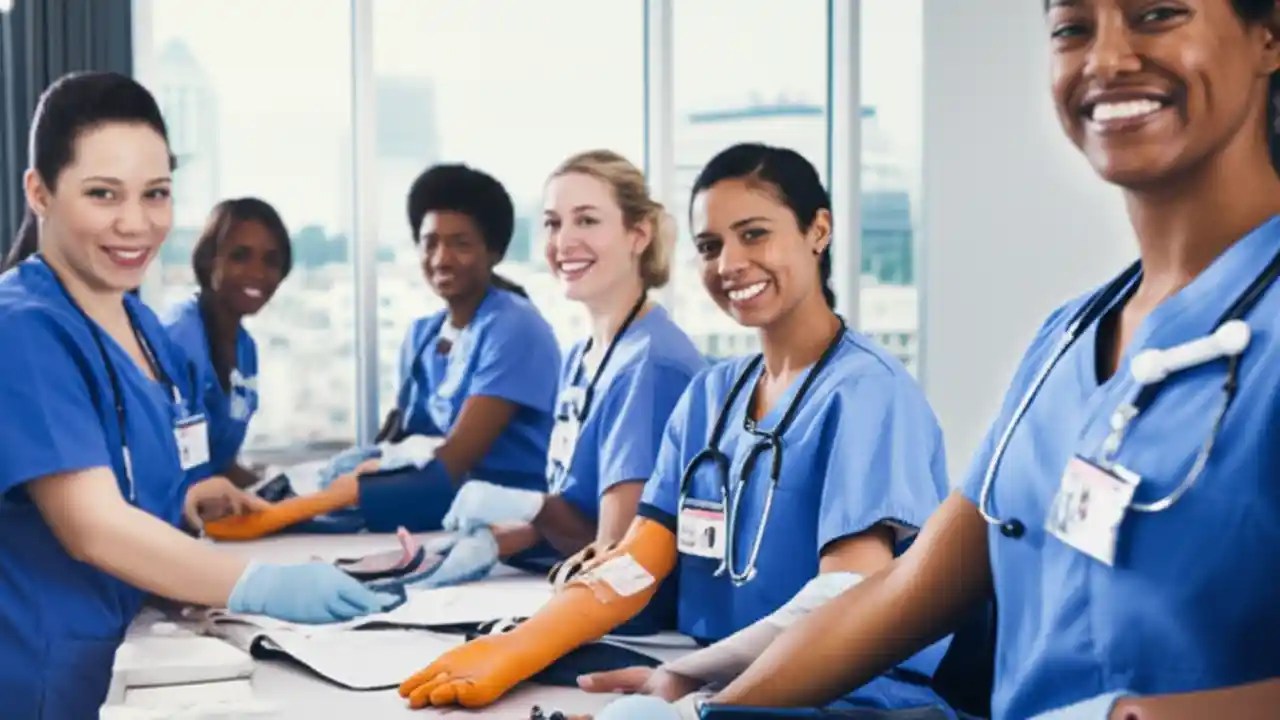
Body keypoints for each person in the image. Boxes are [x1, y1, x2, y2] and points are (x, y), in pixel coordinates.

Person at [680, 1, 1280, 718]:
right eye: (1071, 29)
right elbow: (899, 599)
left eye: (1156, 14)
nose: (1107, 58)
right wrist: (706, 710)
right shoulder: (1064, 343)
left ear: (1268, 33)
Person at [395, 143, 953, 715]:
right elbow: (638, 560)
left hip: (847, 696)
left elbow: (846, 597)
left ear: (819, 230)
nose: (729, 263)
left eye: (754, 234)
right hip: (715, 683)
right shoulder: (711, 396)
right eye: (710, 246)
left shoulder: (868, 392)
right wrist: (517, 647)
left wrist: (695, 687)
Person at [0, 71, 396, 719]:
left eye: (156, 194)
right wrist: (256, 583)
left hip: (126, 661)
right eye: (102, 194)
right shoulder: (23, 327)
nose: (135, 223)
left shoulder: (144, 331)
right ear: (39, 192)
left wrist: (185, 495)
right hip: (36, 674)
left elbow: (128, 480)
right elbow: (91, 525)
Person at [204, 163, 562, 539]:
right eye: (431, 242)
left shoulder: (513, 327)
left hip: (507, 520)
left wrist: (305, 506)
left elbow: (452, 464)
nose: (442, 258)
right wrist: (324, 480)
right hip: (439, 510)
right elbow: (398, 445)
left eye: (461, 244)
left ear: (493, 251)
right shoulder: (422, 336)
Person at [427, 150, 705, 608]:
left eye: (588, 221)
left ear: (639, 234)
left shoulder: (651, 366)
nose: (564, 242)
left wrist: (530, 507)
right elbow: (577, 515)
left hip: (633, 623)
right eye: (554, 224)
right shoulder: (581, 355)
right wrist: (500, 540)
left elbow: (617, 560)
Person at [162, 198, 293, 489]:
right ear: (209, 260)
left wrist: (279, 488)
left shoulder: (245, 349)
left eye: (271, 261)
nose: (257, 273)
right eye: (240, 256)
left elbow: (220, 466)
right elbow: (173, 468)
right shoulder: (177, 340)